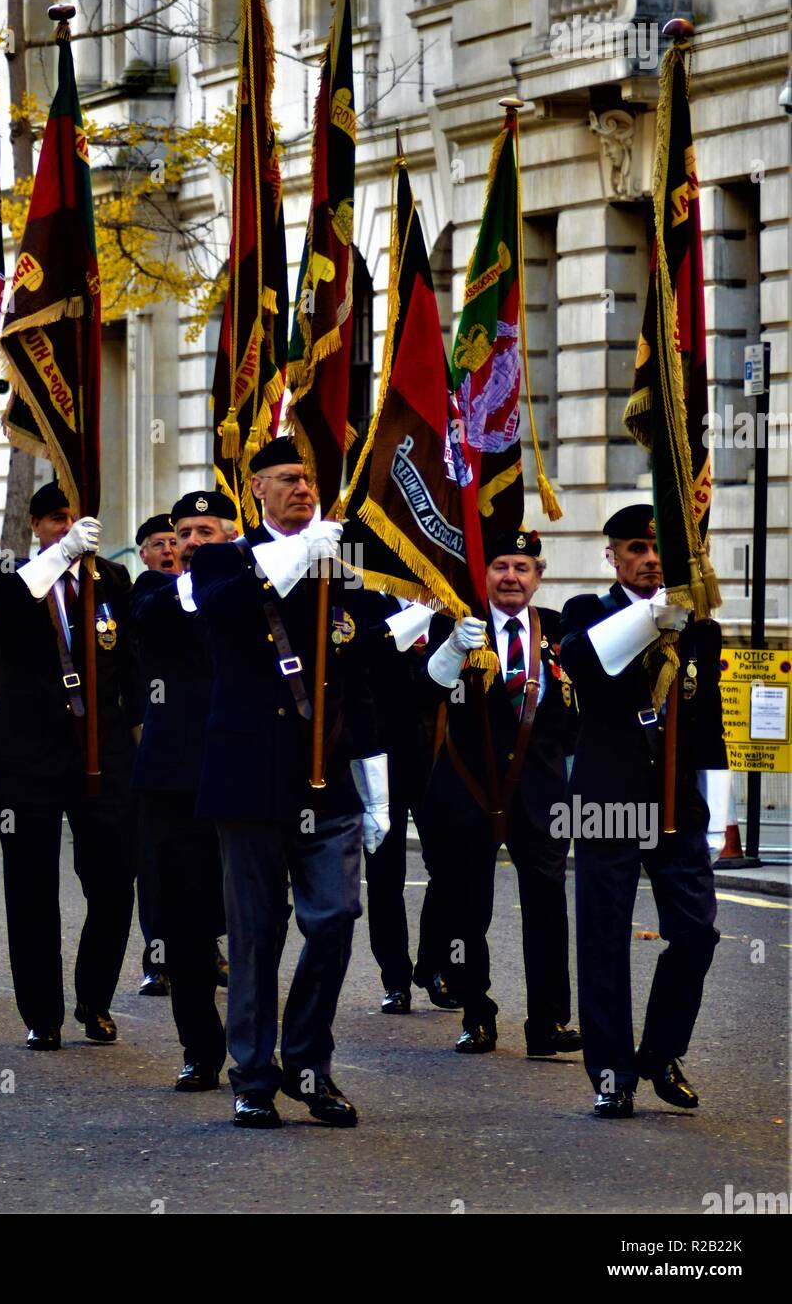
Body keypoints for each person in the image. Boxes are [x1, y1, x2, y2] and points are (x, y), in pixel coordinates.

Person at [190, 436, 390, 1129]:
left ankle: (308, 1064)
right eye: (286, 479)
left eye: (308, 478)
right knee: (254, 936)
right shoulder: (220, 555)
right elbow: (220, 610)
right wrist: (304, 554)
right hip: (248, 777)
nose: (303, 489)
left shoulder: (342, 561)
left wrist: (377, 786)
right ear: (255, 490)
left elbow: (361, 673)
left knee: (334, 918)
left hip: (326, 779)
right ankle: (251, 1075)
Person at [560, 504, 726, 1119]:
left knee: (697, 932)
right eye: (635, 548)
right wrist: (654, 618)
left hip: (675, 805)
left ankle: (658, 1053)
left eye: (658, 550)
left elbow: (706, 726)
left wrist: (717, 813)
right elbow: (587, 667)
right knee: (604, 938)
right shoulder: (586, 614)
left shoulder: (699, 630)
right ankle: (611, 1071)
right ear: (612, 556)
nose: (650, 558)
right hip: (608, 800)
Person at [0, 483, 143, 1051]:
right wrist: (60, 554)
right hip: (29, 755)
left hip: (102, 751)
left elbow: (130, 661)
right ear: (34, 525)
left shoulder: (111, 583)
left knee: (113, 881)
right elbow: (4, 617)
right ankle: (42, 1012)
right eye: (56, 519)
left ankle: (94, 1000)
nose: (69, 527)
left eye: (75, 518)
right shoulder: (5, 582)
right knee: (30, 888)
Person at [422, 530, 582, 1058]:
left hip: (539, 791)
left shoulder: (559, 630)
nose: (510, 577)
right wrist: (451, 649)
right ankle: (477, 1013)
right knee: (469, 908)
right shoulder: (456, 624)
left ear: (539, 576)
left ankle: (549, 1022)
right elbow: (429, 691)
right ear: (483, 575)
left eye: (522, 567)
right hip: (469, 787)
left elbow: (578, 712)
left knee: (547, 906)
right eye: (500, 567)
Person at [131, 489, 237, 1090]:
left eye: (206, 531)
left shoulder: (256, 591)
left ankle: (256, 1045)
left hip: (243, 775)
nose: (192, 542)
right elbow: (151, 621)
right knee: (185, 924)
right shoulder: (157, 594)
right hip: (174, 779)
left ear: (230, 536)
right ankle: (200, 1047)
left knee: (252, 919)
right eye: (184, 532)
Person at [357, 597, 455, 1014]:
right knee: (385, 874)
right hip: (382, 756)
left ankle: (433, 965)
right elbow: (363, 657)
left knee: (450, 869)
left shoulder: (452, 614)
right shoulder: (366, 608)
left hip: (440, 759)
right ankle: (394, 978)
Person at [132, 512, 178, 995]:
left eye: (176, 540)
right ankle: (158, 957)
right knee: (157, 863)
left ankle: (206, 945)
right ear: (143, 552)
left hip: (206, 746)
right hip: (156, 746)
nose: (169, 550)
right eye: (160, 542)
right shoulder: (145, 591)